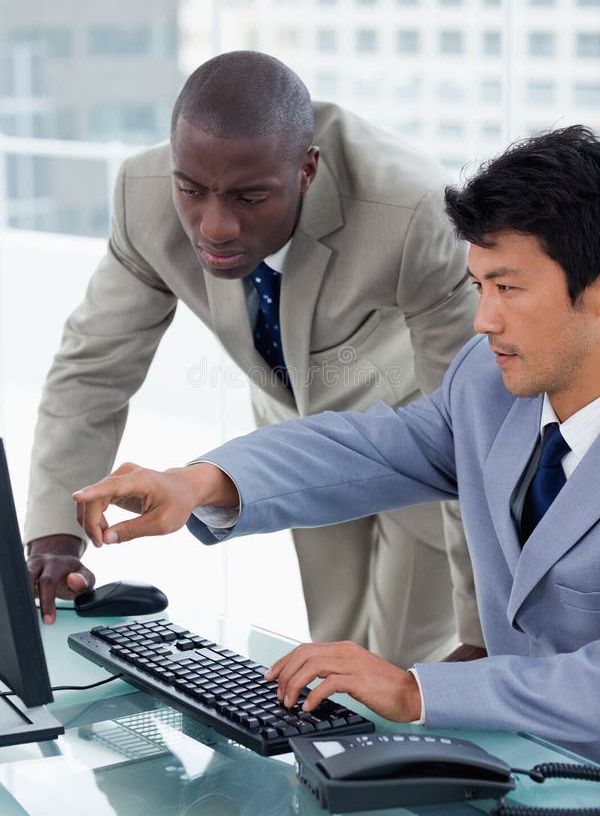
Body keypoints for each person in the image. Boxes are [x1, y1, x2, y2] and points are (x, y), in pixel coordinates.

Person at [74, 125, 600, 762]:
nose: (484, 320)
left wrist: (413, 690)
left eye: (508, 288)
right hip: (520, 765)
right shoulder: (484, 384)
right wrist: (196, 483)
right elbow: (369, 449)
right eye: (479, 287)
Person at [26, 51, 482, 668]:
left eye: (250, 197)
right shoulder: (144, 196)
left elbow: (469, 425)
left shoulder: (412, 212)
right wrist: (55, 535)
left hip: (413, 427)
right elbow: (93, 370)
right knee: (333, 649)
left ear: (307, 170)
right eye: (192, 191)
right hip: (295, 438)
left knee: (402, 660)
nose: (214, 227)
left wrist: (481, 636)